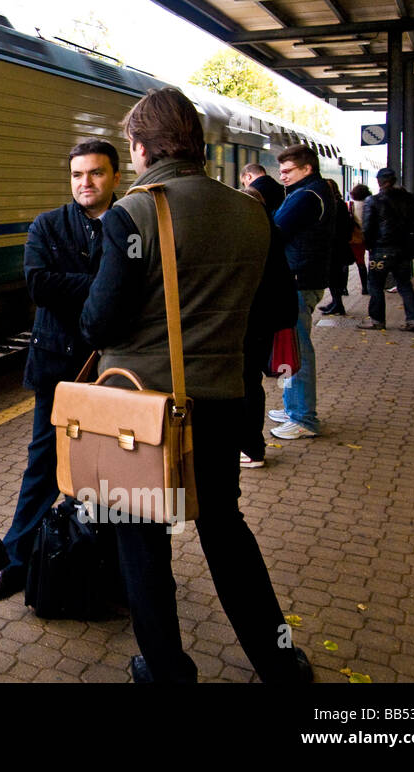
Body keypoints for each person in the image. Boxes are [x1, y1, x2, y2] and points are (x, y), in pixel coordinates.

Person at [80, 87, 310, 683]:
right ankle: (279, 661)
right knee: (224, 526)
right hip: (222, 401)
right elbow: (280, 307)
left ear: (142, 147)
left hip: (145, 409)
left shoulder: (134, 212)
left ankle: (165, 668)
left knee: (141, 535)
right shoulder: (251, 211)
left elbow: (99, 322)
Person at [0, 139, 119, 601]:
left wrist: (78, 285)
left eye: (95, 173)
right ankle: (15, 562)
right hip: (59, 367)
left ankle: (113, 566)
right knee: (44, 463)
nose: (85, 183)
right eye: (77, 175)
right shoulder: (48, 224)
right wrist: (105, 283)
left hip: (114, 368)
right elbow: (39, 284)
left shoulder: (131, 225)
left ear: (116, 177)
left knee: (112, 468)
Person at [269, 144, 333, 440]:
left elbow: (276, 229)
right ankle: (293, 406)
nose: (282, 176)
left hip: (299, 279)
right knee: (293, 347)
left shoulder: (307, 196)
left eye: (287, 171)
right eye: (280, 171)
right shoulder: (310, 192)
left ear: (306, 169)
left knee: (297, 350)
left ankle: (303, 417)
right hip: (303, 277)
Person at [239, 187, 296, 469]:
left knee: (246, 383)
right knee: (251, 383)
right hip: (265, 321)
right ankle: (251, 446)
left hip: (251, 321)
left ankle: (250, 448)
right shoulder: (270, 232)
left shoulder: (252, 237)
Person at [359, 167, 414, 333]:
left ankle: (377, 320)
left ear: (379, 182)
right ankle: (413, 320)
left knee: (375, 285)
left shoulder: (373, 201)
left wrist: (369, 246)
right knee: (404, 285)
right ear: (394, 181)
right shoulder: (408, 199)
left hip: (381, 249)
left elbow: (367, 228)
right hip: (403, 249)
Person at [319, 179, 355, 316]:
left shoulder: (335, 205)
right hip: (338, 246)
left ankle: (337, 304)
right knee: (334, 277)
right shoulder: (338, 203)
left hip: (335, 248)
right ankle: (335, 303)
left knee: (334, 277)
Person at [348, 184, 371, 296]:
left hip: (356, 237)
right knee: (363, 263)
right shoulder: (369, 204)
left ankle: (343, 289)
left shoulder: (352, 205)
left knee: (356, 262)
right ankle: (365, 287)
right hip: (367, 236)